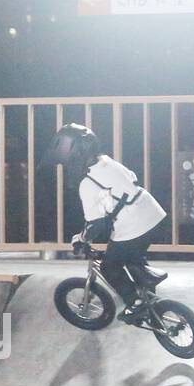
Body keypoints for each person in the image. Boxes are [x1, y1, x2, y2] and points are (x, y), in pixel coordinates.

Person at [43, 123, 169, 321]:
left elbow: (96, 224)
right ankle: (148, 290)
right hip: (154, 214)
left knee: (109, 266)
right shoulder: (106, 161)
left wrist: (81, 239)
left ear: (75, 157)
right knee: (129, 253)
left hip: (134, 224)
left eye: (66, 162)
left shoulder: (87, 183)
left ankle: (136, 304)